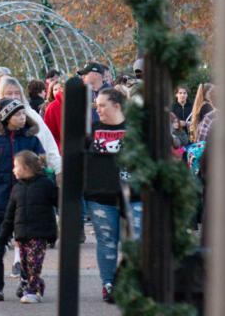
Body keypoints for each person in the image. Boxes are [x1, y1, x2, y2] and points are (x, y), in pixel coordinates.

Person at [0, 98, 47, 302]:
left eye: (23, 114)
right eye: (17, 114)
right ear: (6, 118)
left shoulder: (32, 140)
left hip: (25, 204)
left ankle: (26, 281)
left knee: (27, 248)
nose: (22, 117)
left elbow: (42, 168)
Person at [86, 88, 142, 304]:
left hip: (133, 194)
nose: (98, 110)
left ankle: (131, 282)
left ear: (117, 106)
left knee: (135, 239)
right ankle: (108, 284)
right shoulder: (92, 130)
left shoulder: (134, 129)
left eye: (102, 105)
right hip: (101, 196)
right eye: (96, 106)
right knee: (106, 240)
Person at [0, 151, 57, 304]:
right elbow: (9, 216)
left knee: (34, 263)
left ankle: (33, 291)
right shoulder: (17, 189)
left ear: (27, 168)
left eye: (16, 166)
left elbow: (58, 200)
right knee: (25, 265)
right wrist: (2, 237)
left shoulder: (46, 184)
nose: (13, 170)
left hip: (40, 233)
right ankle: (35, 283)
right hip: (22, 234)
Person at [41, 80, 63, 150]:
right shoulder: (50, 107)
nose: (58, 91)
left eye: (59, 88)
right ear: (51, 92)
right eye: (55, 89)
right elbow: (48, 133)